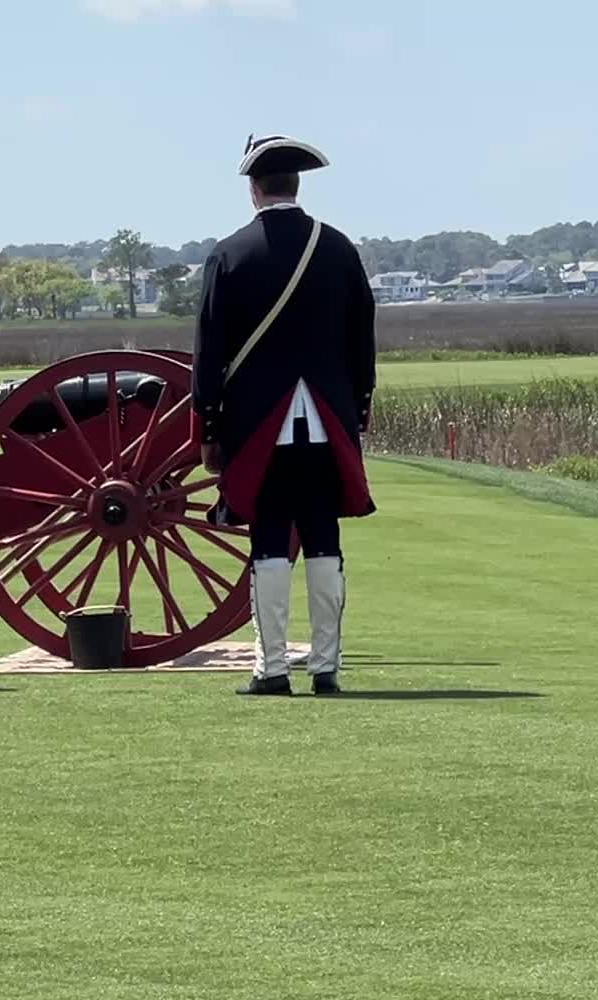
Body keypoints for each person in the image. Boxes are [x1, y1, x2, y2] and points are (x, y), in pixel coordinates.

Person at [192, 135, 376, 696]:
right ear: (295, 184)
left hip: (258, 422)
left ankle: (271, 669)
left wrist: (207, 425)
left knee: (268, 540)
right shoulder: (339, 249)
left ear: (254, 189)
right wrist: (358, 408)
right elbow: (361, 341)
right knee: (323, 538)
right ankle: (325, 669)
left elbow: (209, 349)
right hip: (326, 417)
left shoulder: (229, 254)